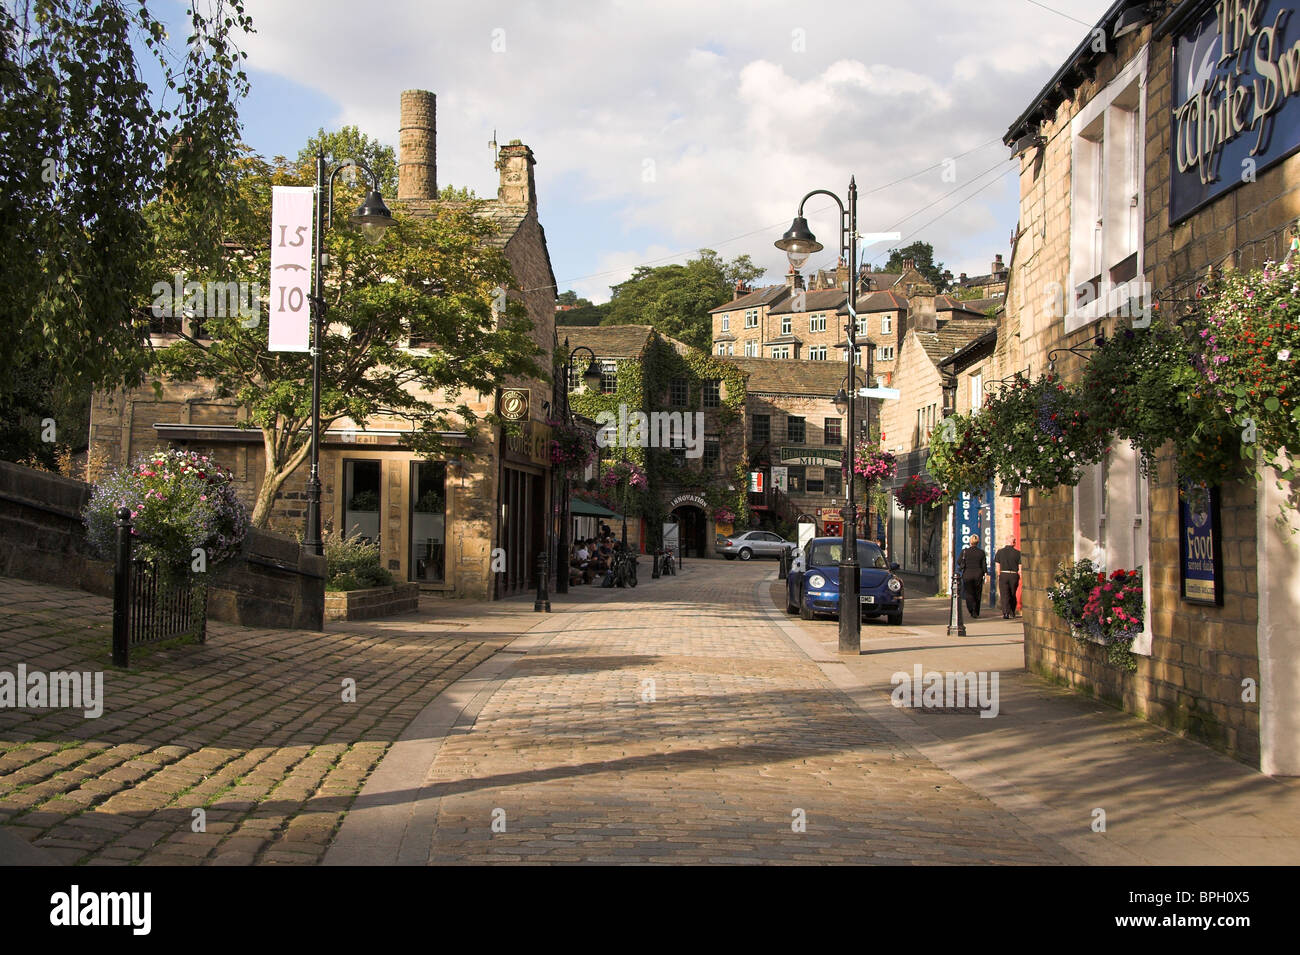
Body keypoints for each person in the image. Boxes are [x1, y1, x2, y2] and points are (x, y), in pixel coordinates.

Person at [958, 534, 988, 618]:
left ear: (970, 542)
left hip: (967, 574)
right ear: (977, 542)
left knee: (969, 593)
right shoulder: (981, 552)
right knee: (977, 593)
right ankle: (976, 611)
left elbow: (959, 561)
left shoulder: (965, 551)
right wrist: (985, 574)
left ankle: (971, 609)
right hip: (978, 574)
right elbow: (984, 565)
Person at [995, 535, 1022, 619]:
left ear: (1006, 541)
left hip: (1004, 574)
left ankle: (1006, 613)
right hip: (1014, 575)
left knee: (1004, 594)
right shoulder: (1018, 553)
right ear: (1013, 543)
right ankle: (1012, 611)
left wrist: (999, 575)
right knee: (1012, 594)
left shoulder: (1000, 552)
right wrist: (1020, 576)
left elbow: (997, 565)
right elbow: (1020, 567)